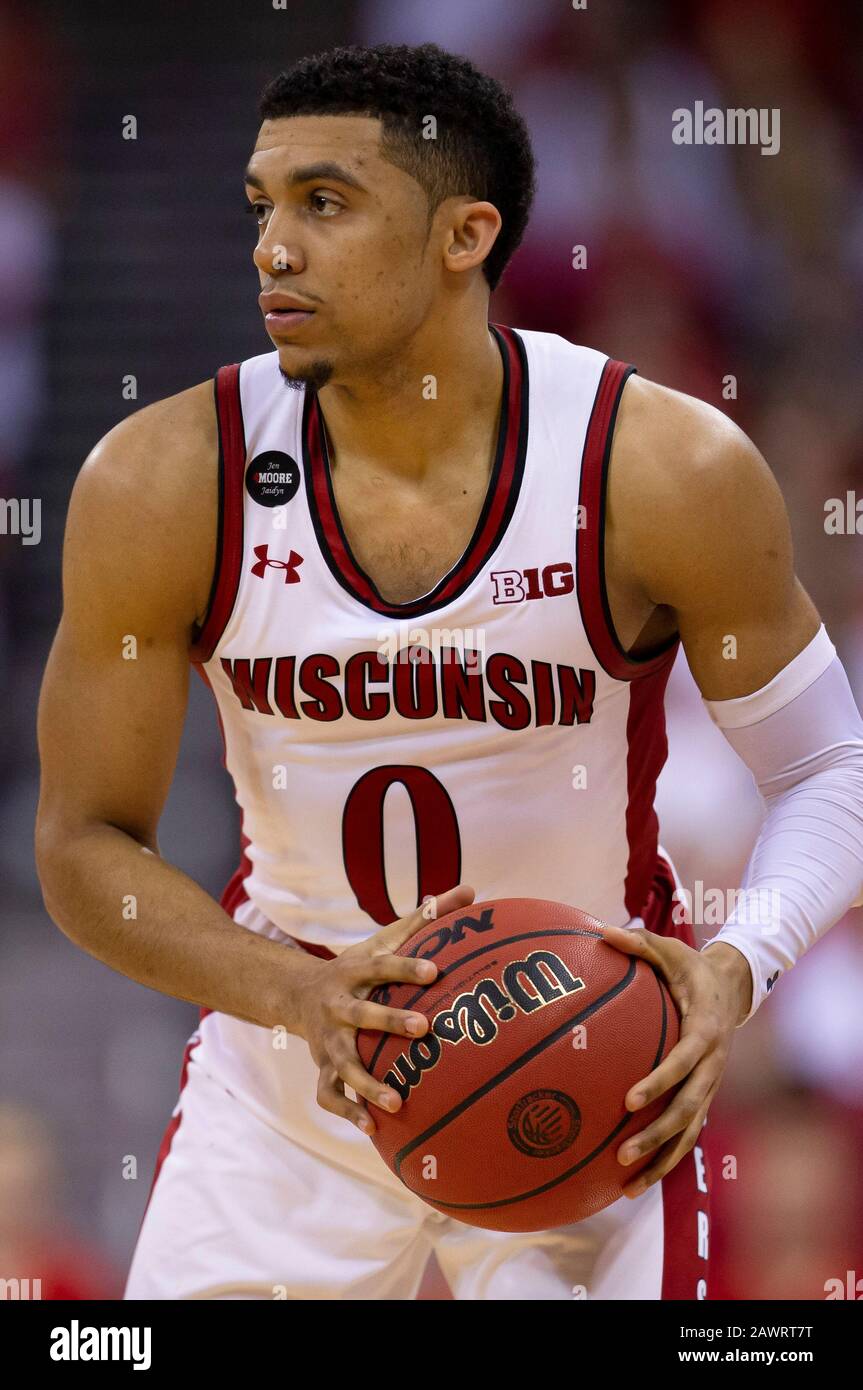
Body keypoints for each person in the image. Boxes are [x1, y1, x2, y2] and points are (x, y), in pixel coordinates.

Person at [35, 43, 863, 1300]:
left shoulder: (658, 467)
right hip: (288, 1088)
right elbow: (82, 842)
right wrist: (299, 996)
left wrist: (731, 966)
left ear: (463, 233)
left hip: (586, 1080)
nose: (272, 248)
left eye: (325, 202)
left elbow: (825, 763)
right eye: (261, 206)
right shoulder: (164, 481)